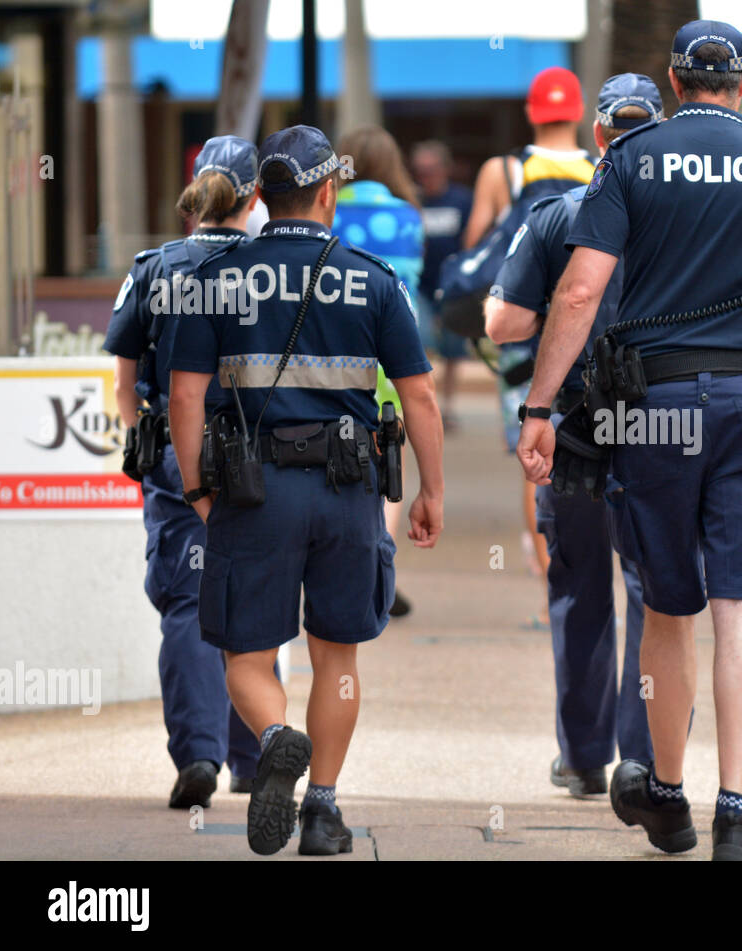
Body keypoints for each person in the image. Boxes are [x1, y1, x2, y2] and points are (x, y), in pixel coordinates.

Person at [515, 20, 742, 861]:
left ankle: (669, 795)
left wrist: (539, 407)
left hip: (658, 407)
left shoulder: (628, 162)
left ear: (675, 83)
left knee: (670, 606)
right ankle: (739, 810)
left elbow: (577, 294)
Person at [167, 125, 445, 856]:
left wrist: (199, 490)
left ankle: (275, 735)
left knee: (246, 657)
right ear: (329, 193)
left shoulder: (216, 279)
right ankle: (322, 809)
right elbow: (419, 399)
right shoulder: (373, 277)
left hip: (254, 492)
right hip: (350, 492)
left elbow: (185, 399)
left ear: (260, 194)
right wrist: (430, 492)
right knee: (338, 656)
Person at [484, 73, 664, 798]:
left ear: (597, 138)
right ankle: (646, 755)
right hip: (665, 425)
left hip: (575, 429)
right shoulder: (690, 219)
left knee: (580, 586)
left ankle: (583, 753)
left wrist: (560, 314)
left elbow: (500, 322)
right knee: (655, 590)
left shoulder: (557, 214)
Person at [104, 135, 265, 810]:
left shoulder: (152, 269)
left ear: (198, 188)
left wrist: (148, 445)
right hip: (261, 454)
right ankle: (255, 756)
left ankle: (197, 753)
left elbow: (122, 384)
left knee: (187, 601)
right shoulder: (272, 268)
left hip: (178, 451)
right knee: (257, 599)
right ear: (255, 197)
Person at [467, 65, 597, 626]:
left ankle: (550, 574)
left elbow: (477, 248)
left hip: (521, 334)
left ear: (531, 112)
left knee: (532, 447)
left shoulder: (504, 169)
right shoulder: (600, 168)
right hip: (588, 334)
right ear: (579, 115)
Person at [334, 125, 427, 618]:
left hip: (330, 353)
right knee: (390, 453)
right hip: (390, 352)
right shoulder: (407, 217)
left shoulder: (325, 211)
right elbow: (411, 283)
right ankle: (378, 559)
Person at [411, 141, 473, 428]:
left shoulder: (461, 200)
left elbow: (471, 239)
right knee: (423, 342)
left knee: (451, 349)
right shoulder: (413, 201)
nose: (427, 176)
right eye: (421, 170)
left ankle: (446, 407)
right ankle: (428, 404)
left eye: (432, 169)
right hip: (419, 285)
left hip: (452, 284)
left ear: (445, 169)